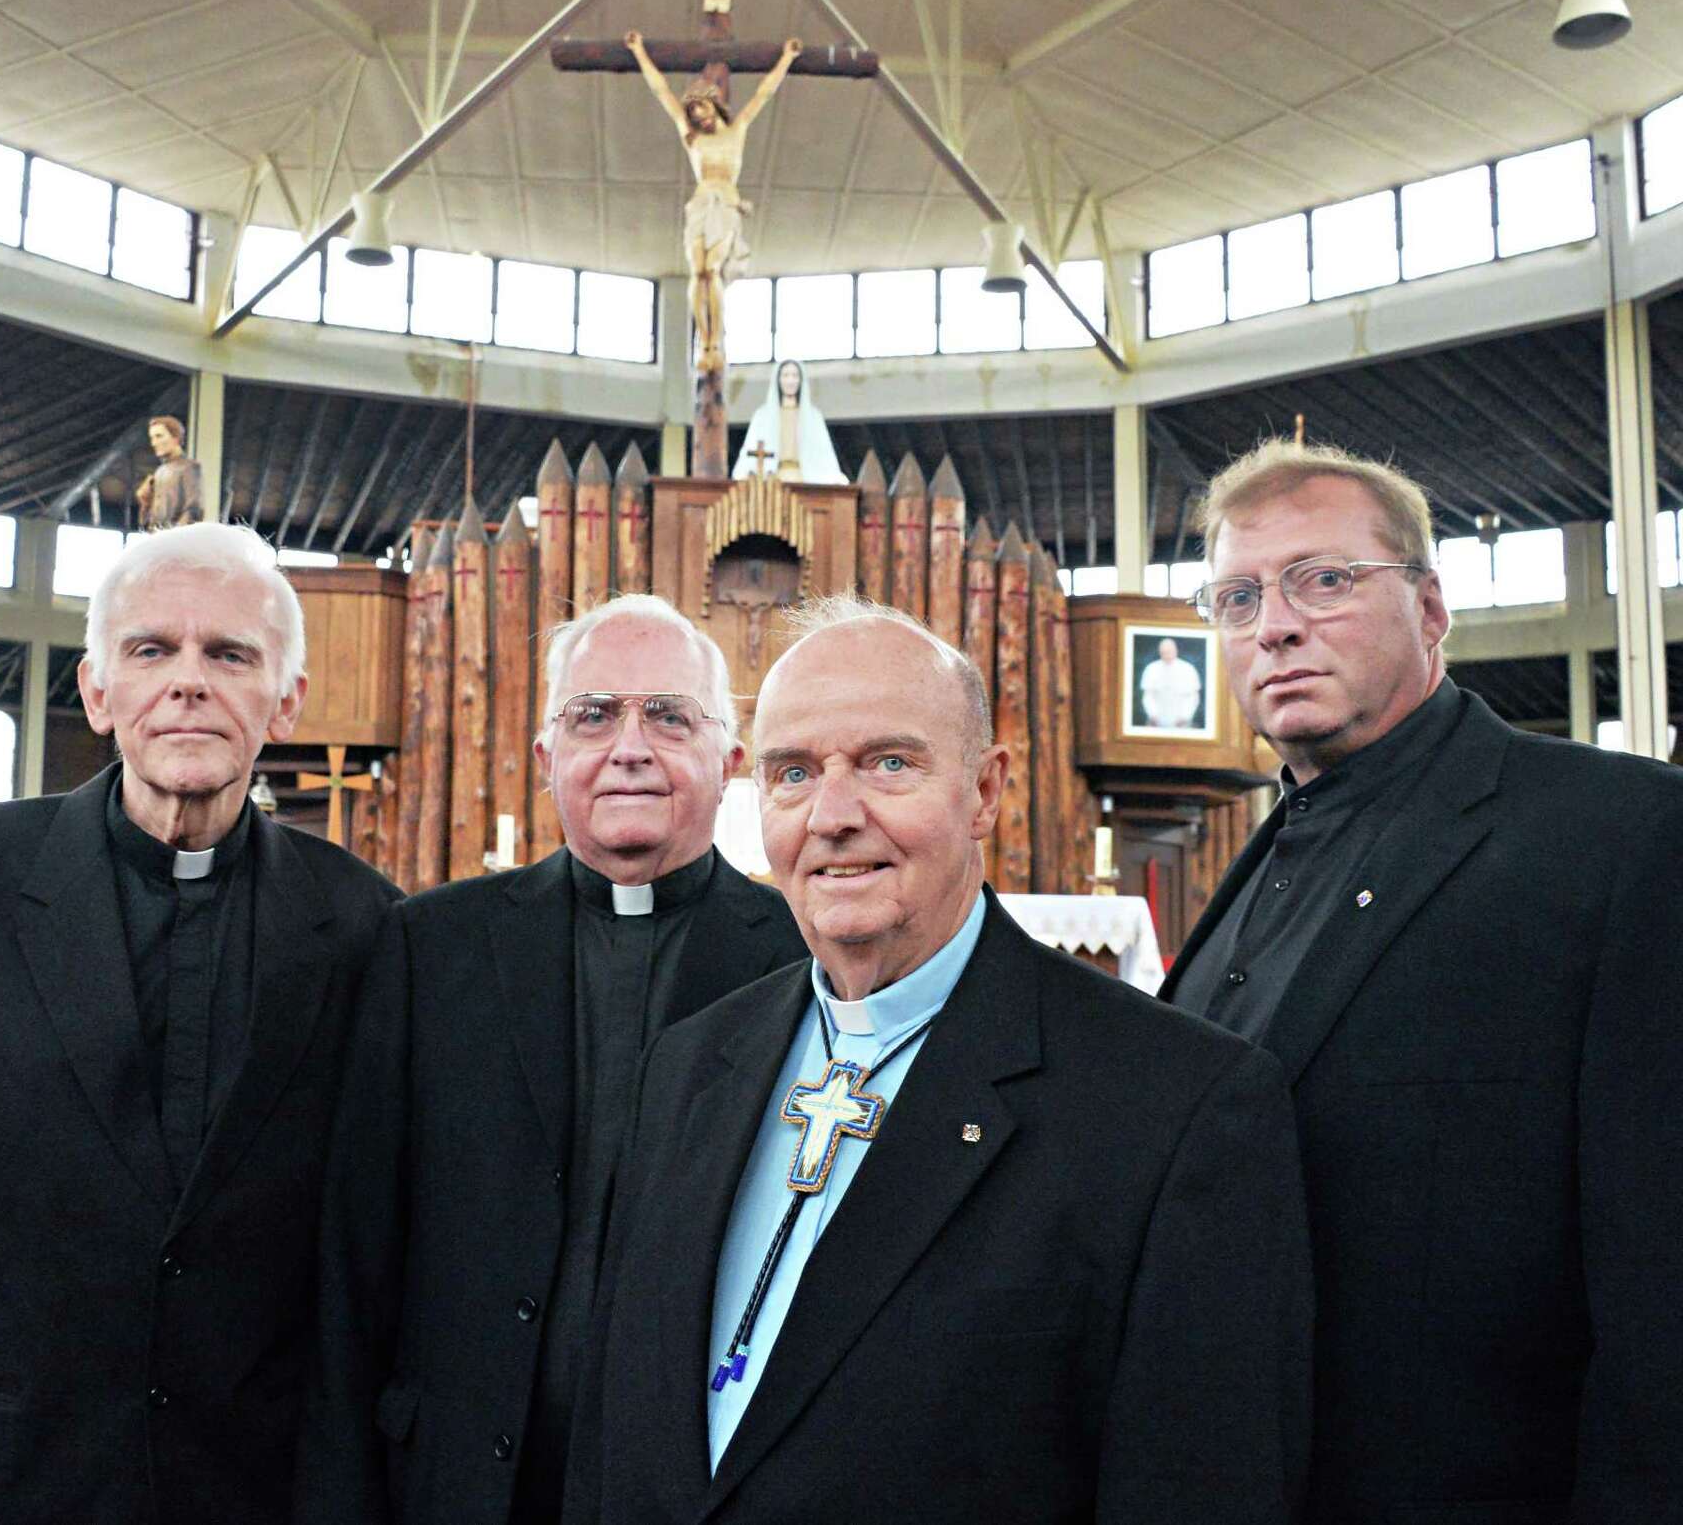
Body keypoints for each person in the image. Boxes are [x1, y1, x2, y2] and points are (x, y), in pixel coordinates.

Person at [565, 596, 1313, 1525]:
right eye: (794, 774)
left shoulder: (1175, 1106)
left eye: (888, 763)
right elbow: (611, 1436)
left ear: (986, 791)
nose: (834, 816)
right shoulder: (689, 1064)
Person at [0, 523, 401, 1525]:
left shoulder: (368, 925)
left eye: (230, 654)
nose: (189, 682)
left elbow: (369, 1276)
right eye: (152, 649)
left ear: (287, 699)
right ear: (97, 689)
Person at [1163, 437, 1683, 1522]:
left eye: (1326, 579)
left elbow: (1661, 1275)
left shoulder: (1624, 835)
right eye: (1239, 595)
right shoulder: (1255, 860)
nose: (1277, 624)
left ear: (1433, 607)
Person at [297, 594, 808, 1525]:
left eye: (668, 715)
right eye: (594, 715)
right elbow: (354, 1254)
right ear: (547, 760)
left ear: (728, 762)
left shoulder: (801, 958)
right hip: (454, 1481)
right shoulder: (430, 949)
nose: (629, 746)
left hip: (697, 1487)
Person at [625, 32, 801, 372]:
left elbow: (765, 92)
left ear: (712, 103)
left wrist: (787, 59)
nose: (698, 116)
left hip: (726, 205)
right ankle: (702, 340)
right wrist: (638, 52)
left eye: (701, 108)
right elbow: (661, 91)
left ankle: (715, 341)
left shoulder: (737, 130)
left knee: (712, 271)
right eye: (692, 112)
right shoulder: (693, 140)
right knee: (697, 271)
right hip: (701, 204)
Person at [731, 359, 846, 485]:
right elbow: (750, 450)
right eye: (786, 375)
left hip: (807, 481)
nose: (790, 381)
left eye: (795, 376)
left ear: (801, 380)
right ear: (778, 380)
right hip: (771, 482)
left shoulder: (814, 417)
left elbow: (824, 454)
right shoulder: (762, 416)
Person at [135, 413, 204, 530]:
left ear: (175, 438)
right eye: (152, 438)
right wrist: (145, 503)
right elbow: (148, 522)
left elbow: (194, 510)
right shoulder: (160, 472)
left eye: (159, 436)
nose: (154, 443)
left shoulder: (190, 467)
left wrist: (173, 537)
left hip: (175, 541)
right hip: (157, 540)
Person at [1138, 634, 1202, 728]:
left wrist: (1185, 716)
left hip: (1182, 722)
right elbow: (1148, 695)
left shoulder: (1188, 669)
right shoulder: (1151, 669)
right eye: (1164, 652)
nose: (1167, 654)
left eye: (1169, 651)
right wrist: (1153, 715)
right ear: (1160, 652)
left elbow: (1193, 697)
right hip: (1156, 721)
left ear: (1176, 650)